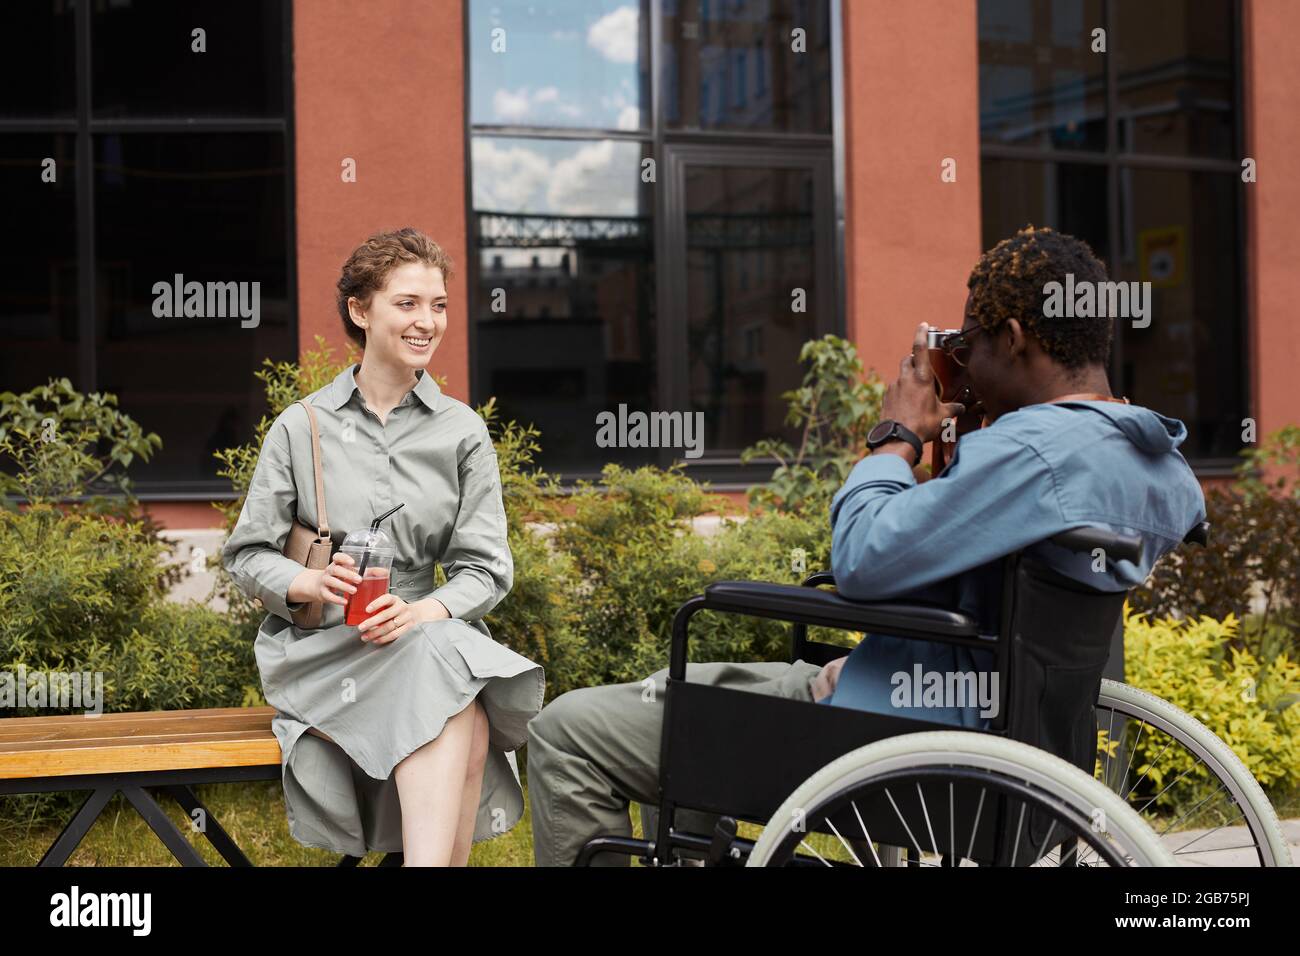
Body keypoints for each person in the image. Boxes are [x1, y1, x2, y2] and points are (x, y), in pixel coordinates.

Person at [526, 225, 1206, 866]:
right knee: (679, 701)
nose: (963, 358)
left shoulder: (1029, 450)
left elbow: (859, 559)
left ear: (1018, 338)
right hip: (1012, 738)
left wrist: (896, 438)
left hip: (893, 735)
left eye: (973, 341)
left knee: (568, 731)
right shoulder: (1147, 454)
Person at [222, 227, 543, 867]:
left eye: (439, 305)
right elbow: (247, 554)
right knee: (464, 704)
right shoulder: (301, 426)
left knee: (450, 679)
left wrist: (423, 611)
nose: (428, 322)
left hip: (423, 636)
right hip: (326, 647)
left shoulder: (463, 432)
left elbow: (486, 568)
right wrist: (309, 585)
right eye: (408, 304)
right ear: (360, 311)